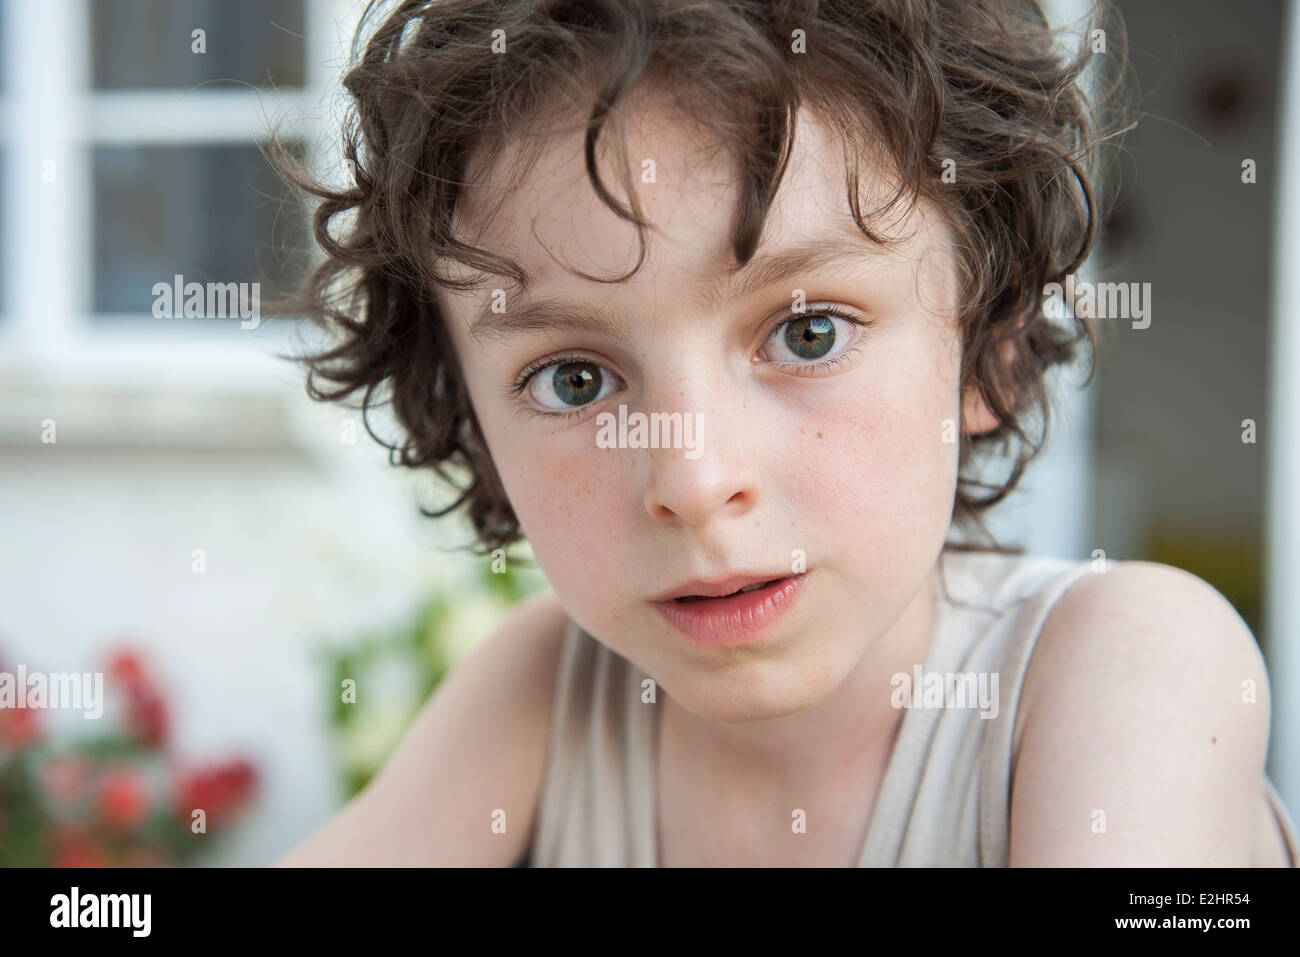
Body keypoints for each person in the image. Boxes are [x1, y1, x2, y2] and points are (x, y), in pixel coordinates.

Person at [272, 0, 1298, 866]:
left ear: (992, 347)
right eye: (573, 378)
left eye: (808, 333)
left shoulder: (1128, 660)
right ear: (469, 411)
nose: (695, 476)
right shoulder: (548, 688)